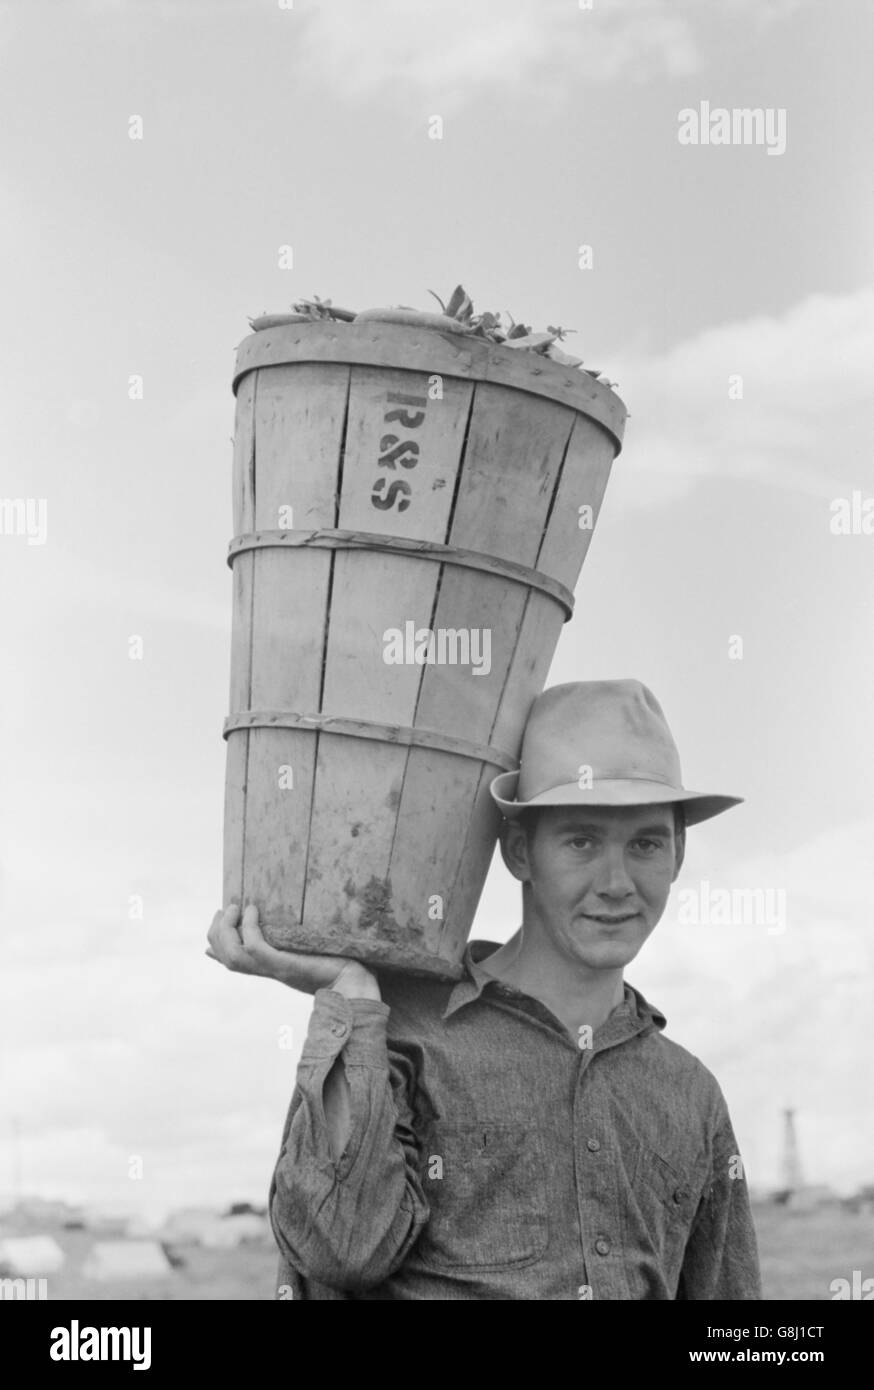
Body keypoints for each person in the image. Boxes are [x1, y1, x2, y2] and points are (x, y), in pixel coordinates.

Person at [206, 679, 762, 1300]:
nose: (617, 882)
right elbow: (338, 1251)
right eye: (581, 841)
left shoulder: (690, 1095)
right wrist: (352, 997)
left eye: (646, 845)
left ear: (678, 856)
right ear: (520, 851)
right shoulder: (397, 1032)